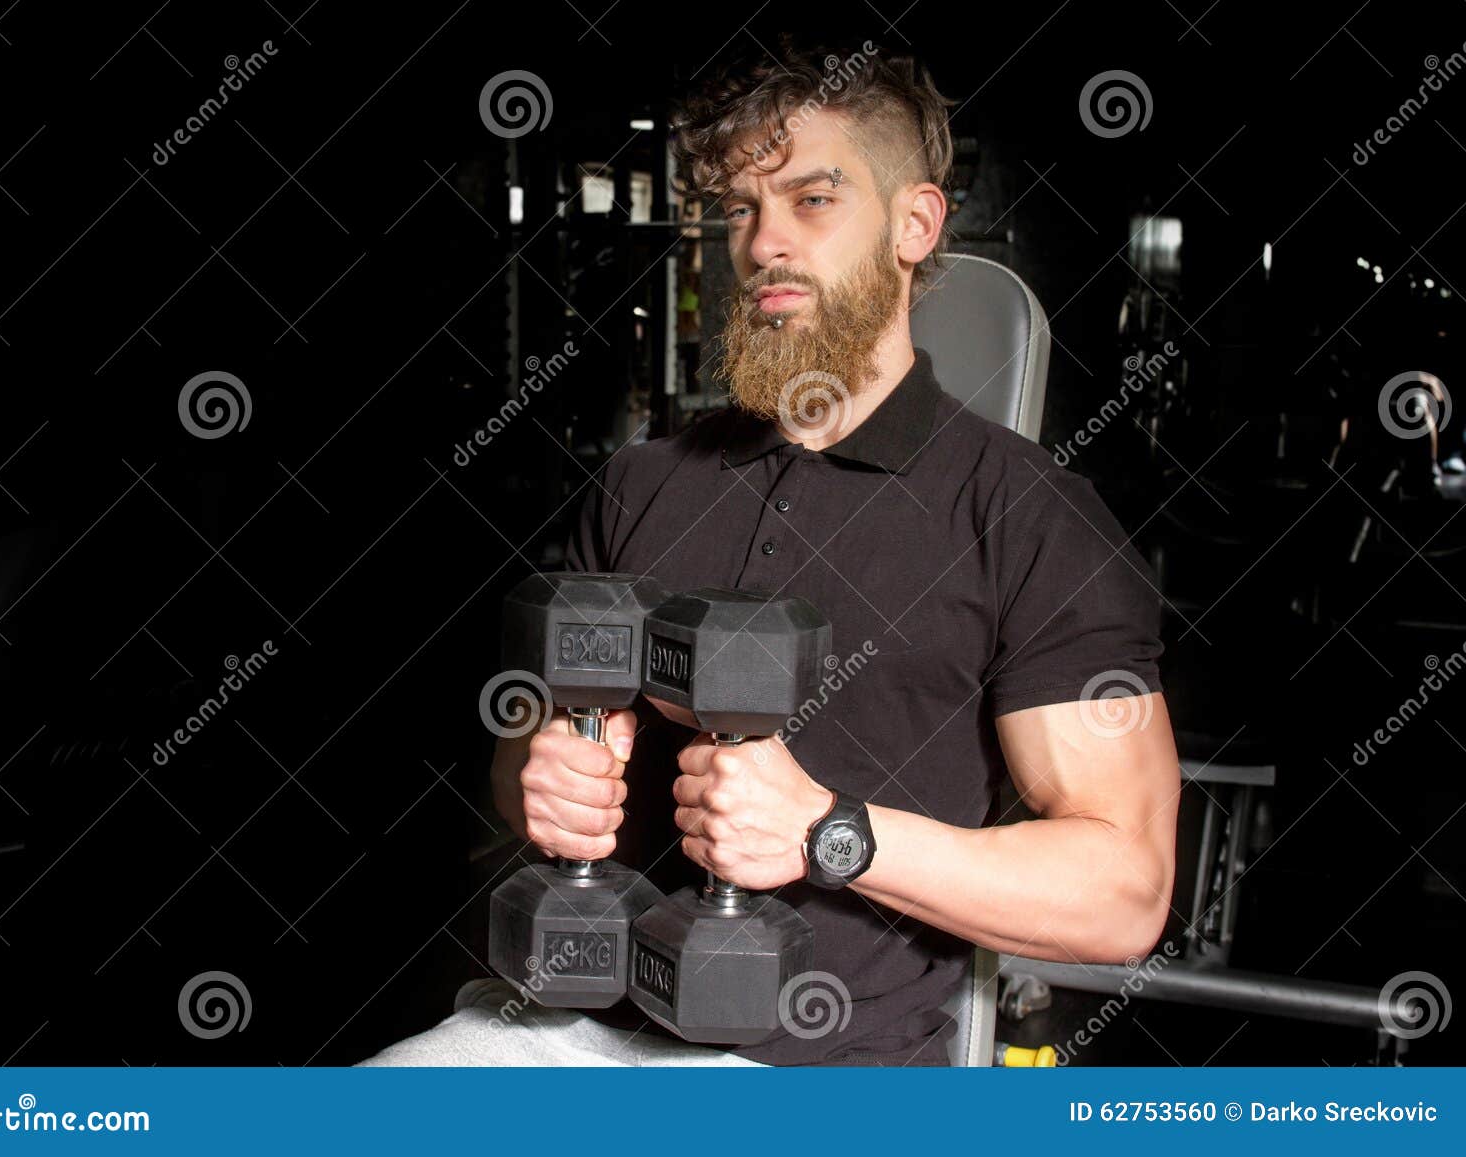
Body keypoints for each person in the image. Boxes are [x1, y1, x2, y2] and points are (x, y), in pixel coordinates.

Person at [361, 35, 1178, 1068]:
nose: (763, 245)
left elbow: (1124, 894)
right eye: (742, 210)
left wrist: (831, 830)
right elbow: (522, 745)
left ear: (914, 224)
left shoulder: (1025, 516)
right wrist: (541, 768)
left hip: (814, 1067)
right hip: (553, 1035)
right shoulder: (642, 479)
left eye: (812, 201)